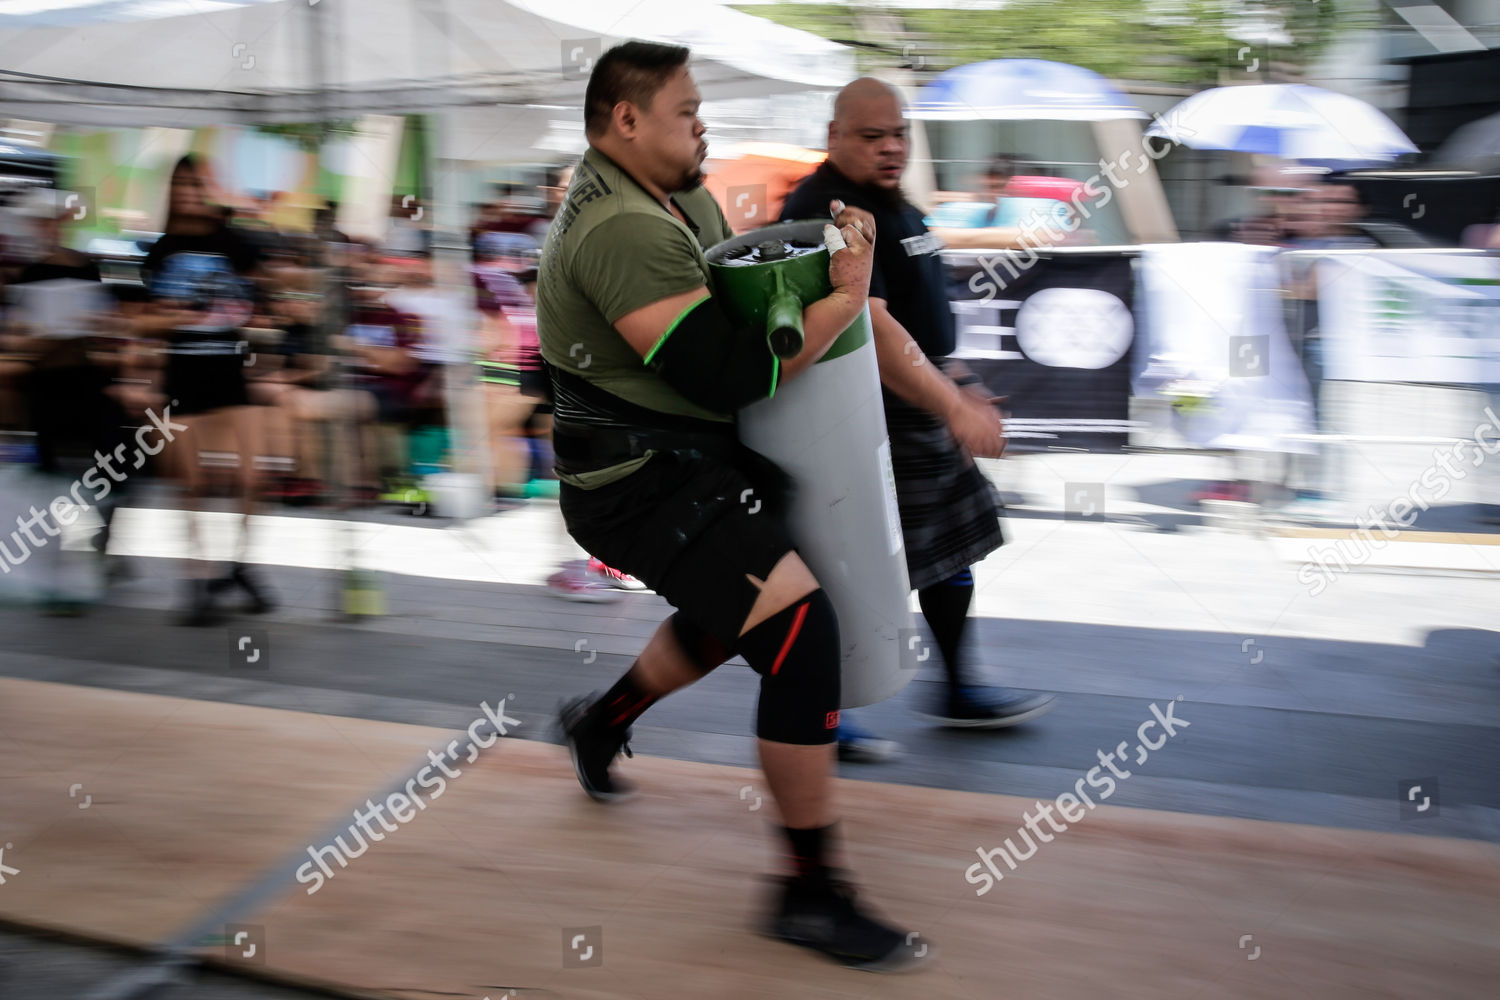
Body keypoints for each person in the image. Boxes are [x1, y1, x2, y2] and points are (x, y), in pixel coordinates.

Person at [539, 41, 927, 971]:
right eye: (687, 110)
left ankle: (603, 720)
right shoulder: (618, 230)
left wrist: (824, 276)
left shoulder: (685, 198)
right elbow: (722, 370)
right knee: (800, 636)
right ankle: (809, 893)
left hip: (691, 462)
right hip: (634, 487)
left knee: (736, 618)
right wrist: (845, 299)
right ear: (626, 120)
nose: (703, 124)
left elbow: (750, 315)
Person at [780, 79, 1057, 746]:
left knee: (945, 552)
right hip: (860, 415)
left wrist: (960, 382)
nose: (889, 147)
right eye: (871, 136)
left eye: (898, 133)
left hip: (913, 406)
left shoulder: (894, 207)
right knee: (850, 566)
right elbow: (872, 330)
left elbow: (916, 315)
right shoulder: (828, 208)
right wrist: (952, 407)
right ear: (834, 138)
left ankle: (957, 687)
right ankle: (821, 714)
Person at [140, 154, 275, 624]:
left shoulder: (232, 241)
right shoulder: (161, 248)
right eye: (180, 185)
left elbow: (263, 298)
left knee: (254, 475)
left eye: (195, 184)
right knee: (190, 483)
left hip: (230, 371)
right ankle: (196, 579)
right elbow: (149, 318)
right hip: (182, 371)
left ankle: (237, 565)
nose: (188, 193)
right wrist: (173, 316)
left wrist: (257, 304)